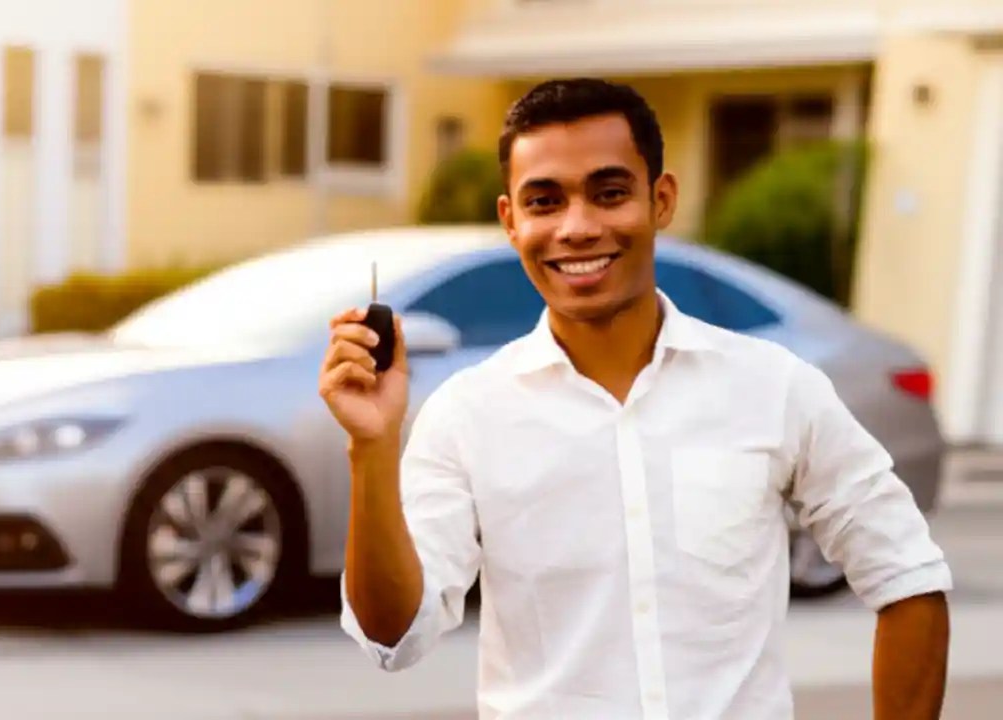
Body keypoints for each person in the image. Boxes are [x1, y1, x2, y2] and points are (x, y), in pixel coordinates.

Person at [317, 77, 952, 719]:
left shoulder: (773, 387)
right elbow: (394, 635)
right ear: (512, 220)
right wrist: (370, 447)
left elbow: (908, 576)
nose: (578, 227)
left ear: (662, 199)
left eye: (610, 193)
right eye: (545, 201)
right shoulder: (466, 413)